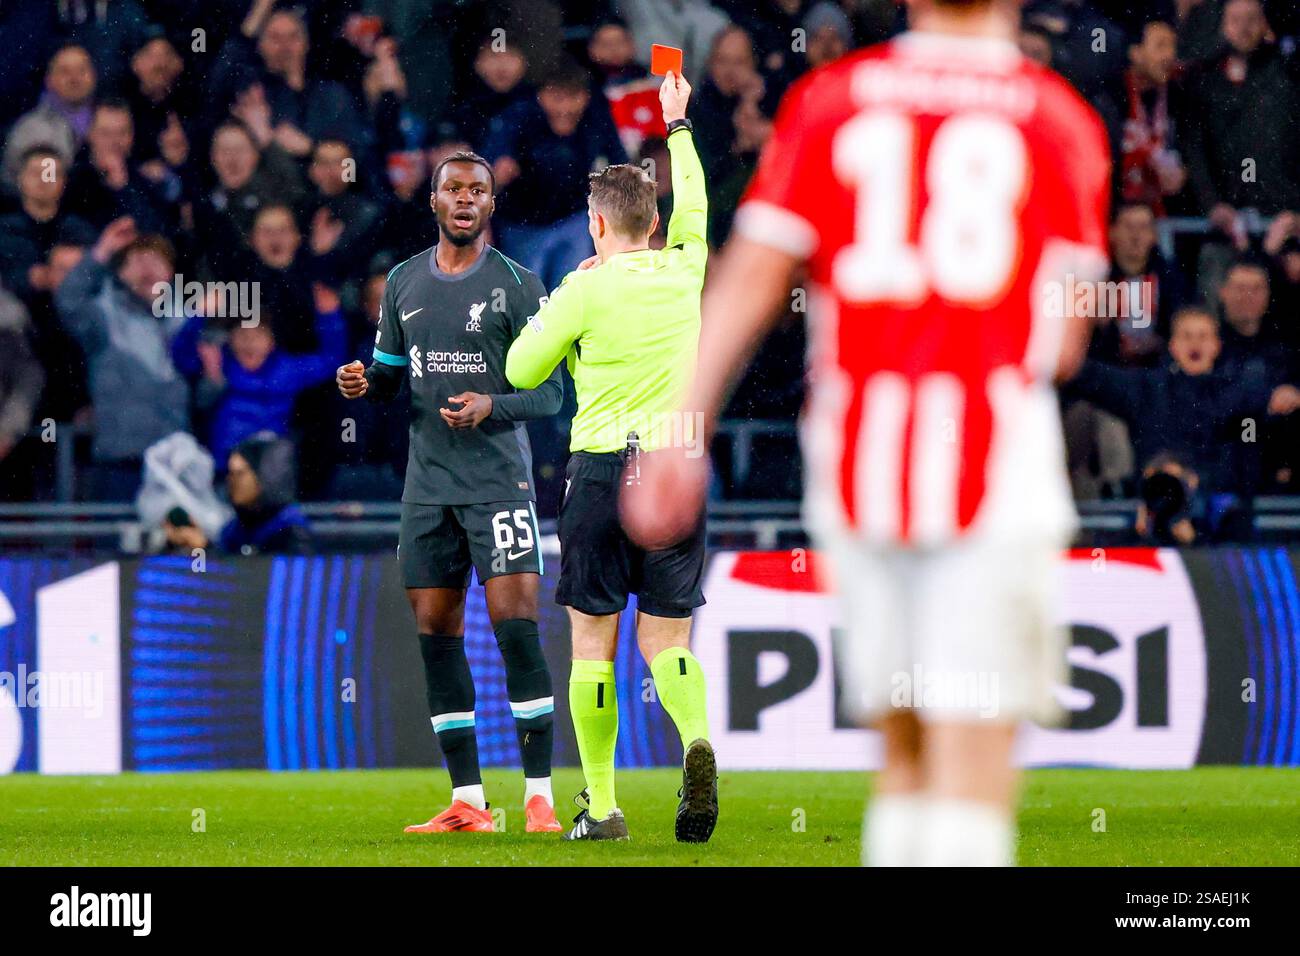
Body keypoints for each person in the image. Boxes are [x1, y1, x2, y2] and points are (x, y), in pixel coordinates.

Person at [623, 0, 1112, 866]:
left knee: (904, 744)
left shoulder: (834, 99)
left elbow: (751, 278)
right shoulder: (1056, 117)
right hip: (990, 458)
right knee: (974, 750)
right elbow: (1067, 335)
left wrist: (679, 427)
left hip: (859, 454)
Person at [506, 71, 718, 844]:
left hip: (600, 469)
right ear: (654, 219)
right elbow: (696, 201)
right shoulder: (686, 266)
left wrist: (566, 302)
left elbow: (522, 370)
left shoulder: (583, 289)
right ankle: (694, 740)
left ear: (597, 225)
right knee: (667, 641)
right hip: (675, 468)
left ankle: (602, 806)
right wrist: (678, 122)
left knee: (592, 644)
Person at [336, 150, 564, 835]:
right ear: (433, 202)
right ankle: (469, 800)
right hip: (427, 487)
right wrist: (363, 384)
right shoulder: (403, 283)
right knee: (437, 634)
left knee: (515, 632)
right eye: (453, 189)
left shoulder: (521, 286)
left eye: (478, 191)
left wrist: (492, 406)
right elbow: (387, 375)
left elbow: (551, 392)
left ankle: (540, 797)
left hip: (498, 483)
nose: (465, 199)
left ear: (491, 206)